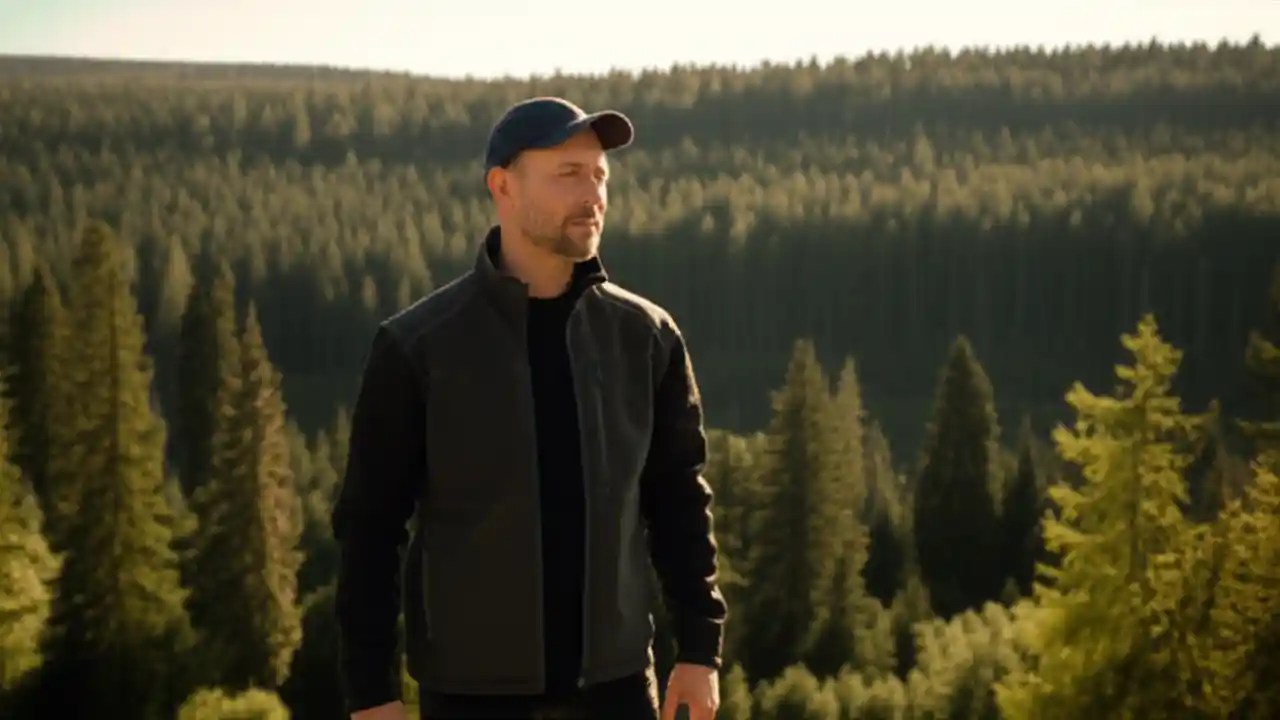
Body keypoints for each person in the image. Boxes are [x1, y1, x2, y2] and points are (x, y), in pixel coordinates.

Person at [331, 96, 728, 720]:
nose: (593, 194)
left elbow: (678, 500)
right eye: (568, 173)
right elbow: (369, 529)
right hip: (472, 699)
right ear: (502, 186)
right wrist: (371, 695)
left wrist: (700, 649)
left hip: (619, 691)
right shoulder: (419, 347)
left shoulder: (645, 337)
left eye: (600, 175)